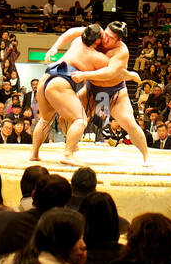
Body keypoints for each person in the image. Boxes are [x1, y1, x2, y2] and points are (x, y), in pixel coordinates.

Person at [30, 22, 143, 162]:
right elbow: (114, 72)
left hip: (46, 78)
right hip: (59, 83)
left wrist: (55, 47)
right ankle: (68, 155)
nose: (104, 39)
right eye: (102, 37)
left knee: (45, 120)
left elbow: (71, 32)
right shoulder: (97, 57)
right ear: (96, 42)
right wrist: (131, 75)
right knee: (80, 120)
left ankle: (34, 154)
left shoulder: (77, 42)